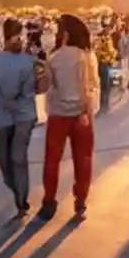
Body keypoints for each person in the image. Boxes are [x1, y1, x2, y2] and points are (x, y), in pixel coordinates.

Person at [39, 14, 96, 221]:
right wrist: (85, 111)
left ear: (65, 34)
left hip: (58, 114)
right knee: (84, 159)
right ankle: (80, 200)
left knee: (52, 159)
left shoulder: (54, 57)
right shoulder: (87, 56)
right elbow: (90, 85)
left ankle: (49, 200)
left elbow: (44, 86)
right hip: (81, 115)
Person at [0, 19, 40, 220]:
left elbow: (36, 86)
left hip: (24, 115)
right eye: (16, 36)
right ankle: (15, 188)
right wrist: (6, 102)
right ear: (6, 38)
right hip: (1, 115)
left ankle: (22, 200)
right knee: (4, 162)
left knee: (18, 157)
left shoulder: (30, 61)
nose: (20, 40)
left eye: (22, 35)